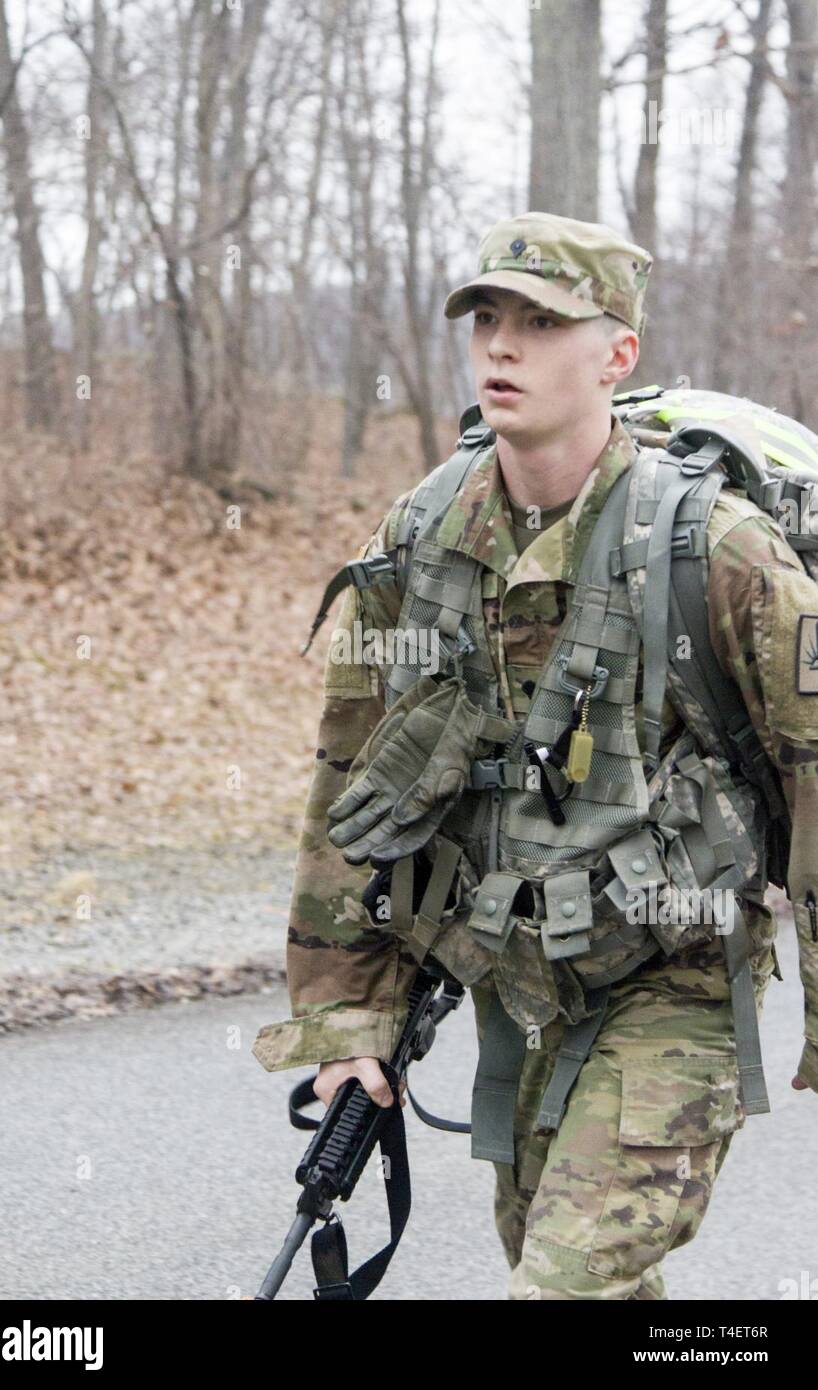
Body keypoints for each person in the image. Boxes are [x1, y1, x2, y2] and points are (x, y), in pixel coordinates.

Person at [252, 211, 818, 1300]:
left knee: (558, 1288)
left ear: (616, 354)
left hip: (677, 988)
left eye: (540, 323)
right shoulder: (422, 536)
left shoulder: (715, 549)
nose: (500, 348)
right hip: (514, 990)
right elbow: (348, 786)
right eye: (487, 320)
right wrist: (346, 1016)